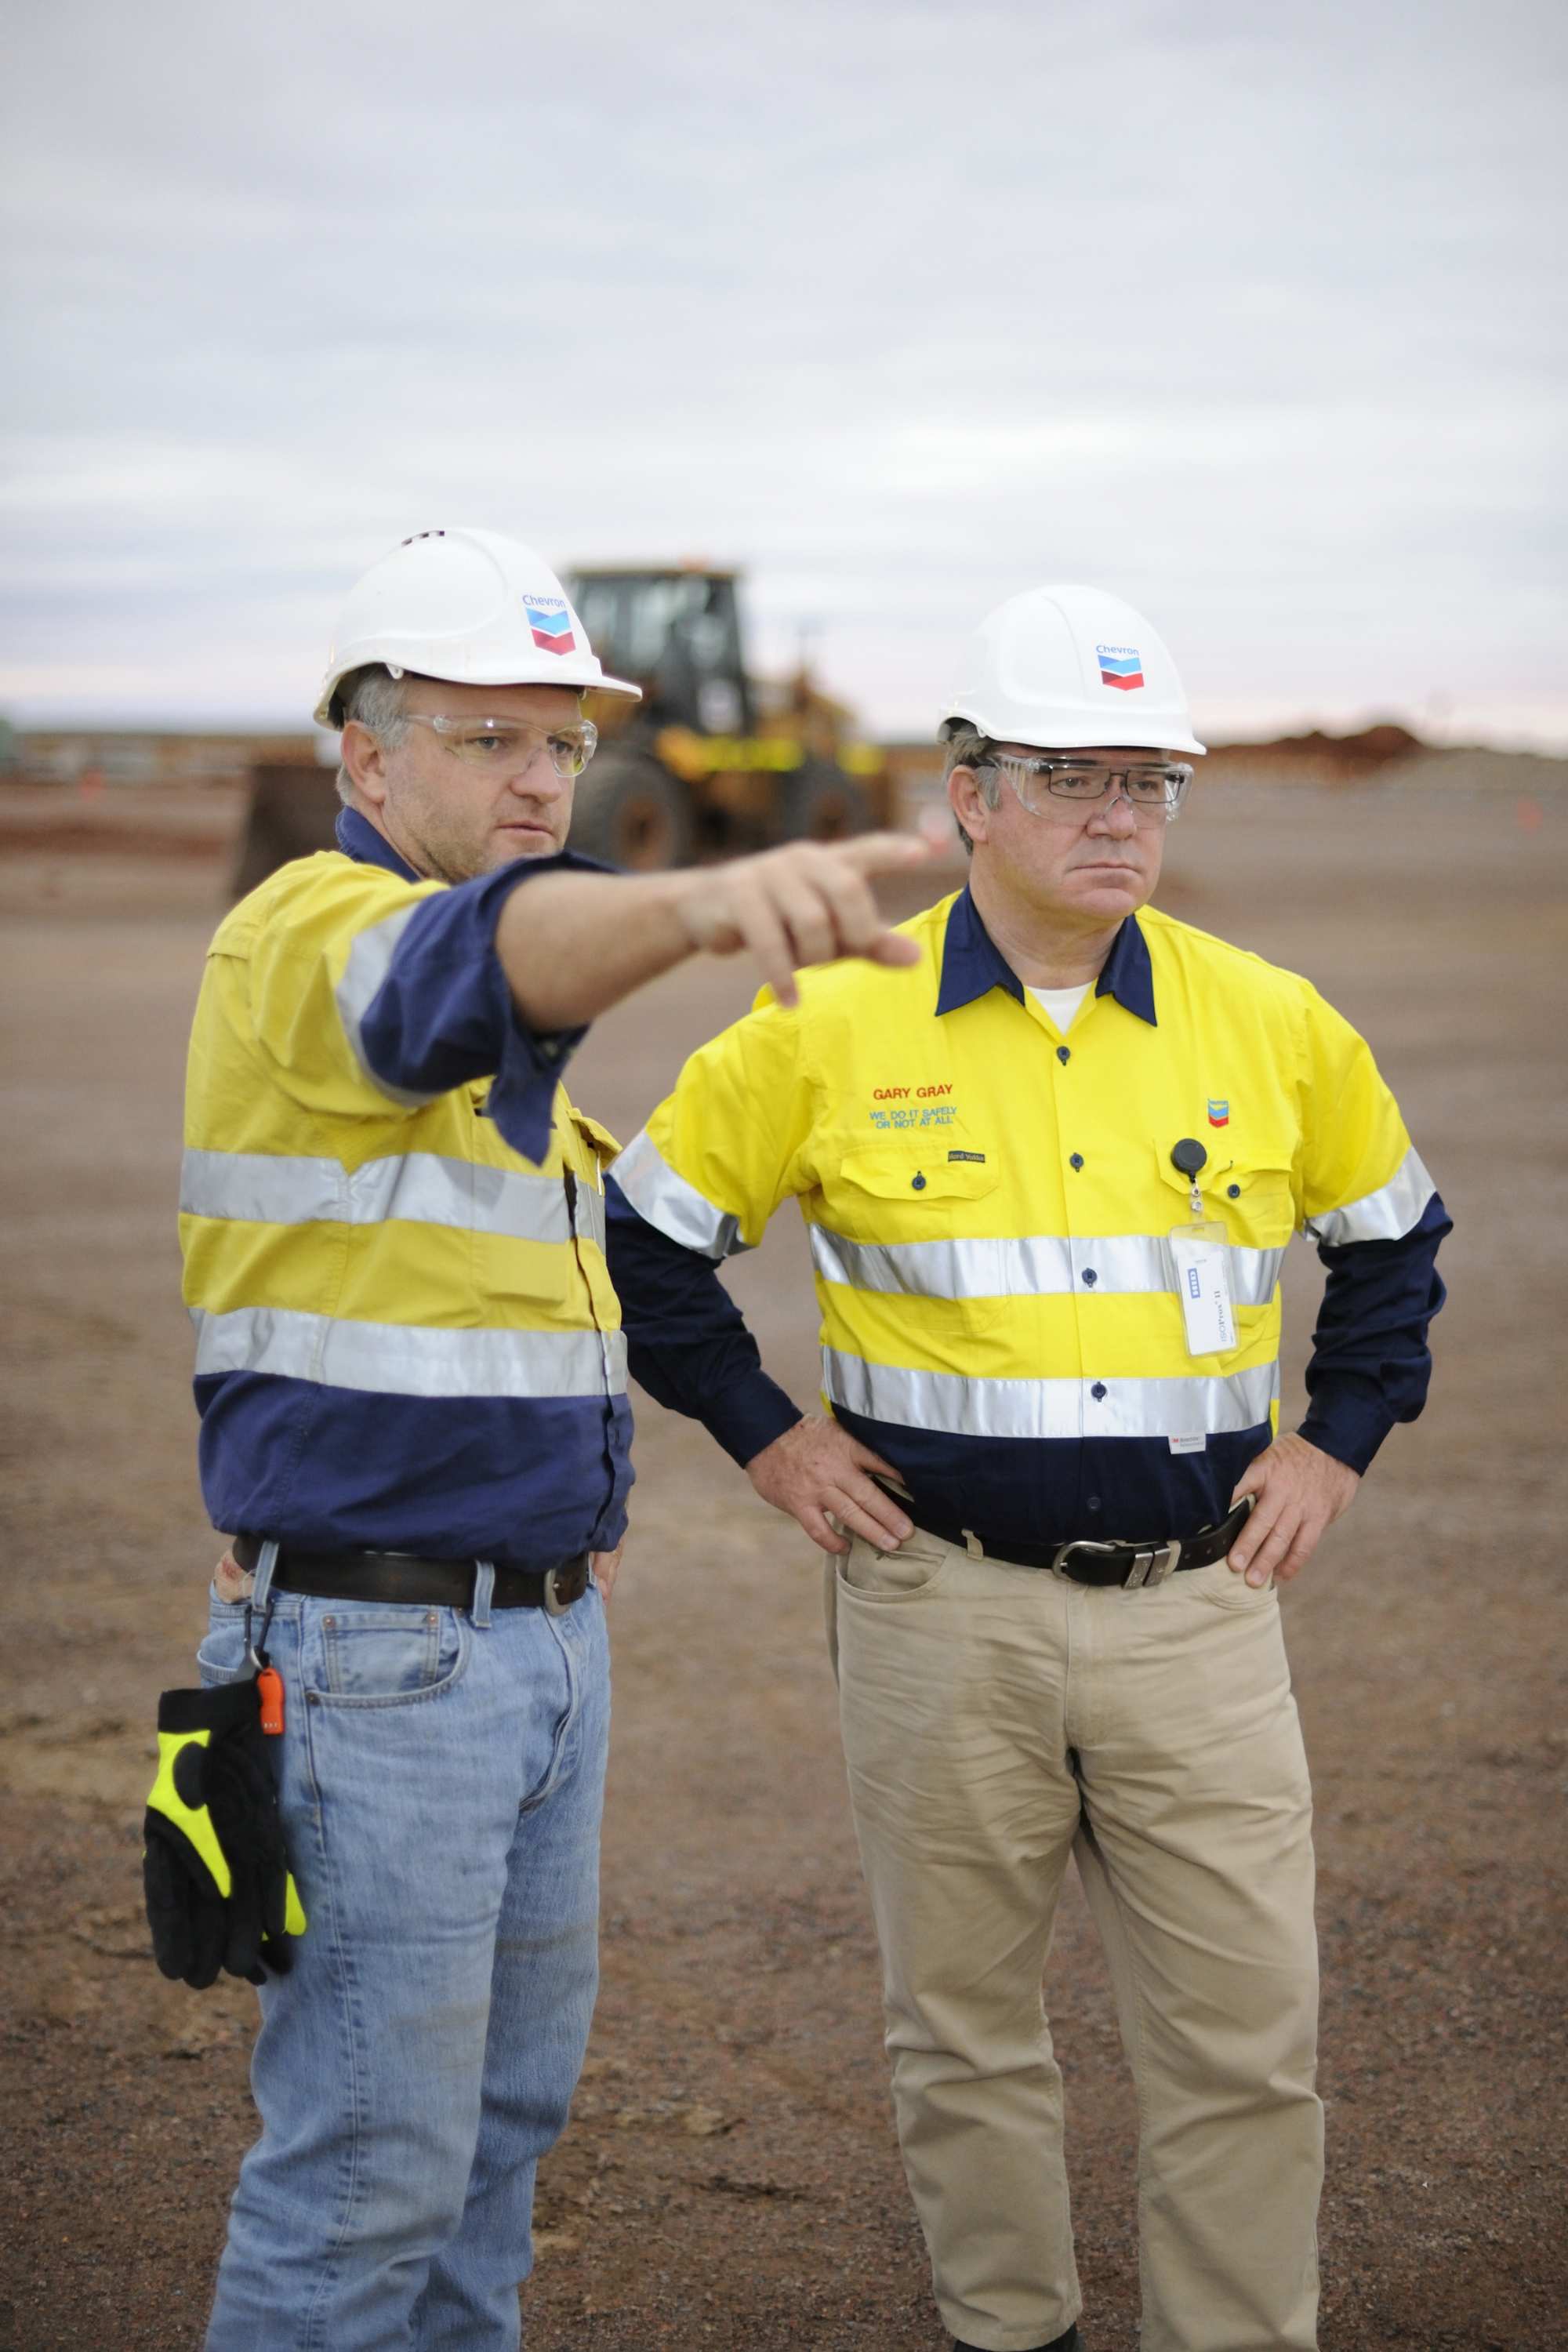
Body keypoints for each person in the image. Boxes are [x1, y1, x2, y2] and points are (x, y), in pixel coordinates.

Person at [604, 583, 1450, 2352]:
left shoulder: (1270, 1020)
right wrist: (766, 1439)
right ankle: (1013, 2331)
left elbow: (1394, 1247)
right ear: (969, 792)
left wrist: (1337, 1448)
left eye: (1151, 783)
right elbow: (647, 1234)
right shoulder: (836, 1017)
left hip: (1200, 1612)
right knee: (964, 2032)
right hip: (937, 1613)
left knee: (1244, 2042)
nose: (1119, 818)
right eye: (1075, 777)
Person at [157, 524, 933, 2352]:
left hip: (528, 1648)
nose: (536, 776)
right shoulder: (313, 937)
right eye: (485, 734)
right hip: (378, 1658)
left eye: (560, 744)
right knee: (367, 2178)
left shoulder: (490, 1043)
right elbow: (480, 959)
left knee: (490, 2150)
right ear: (362, 751)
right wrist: (693, 905)